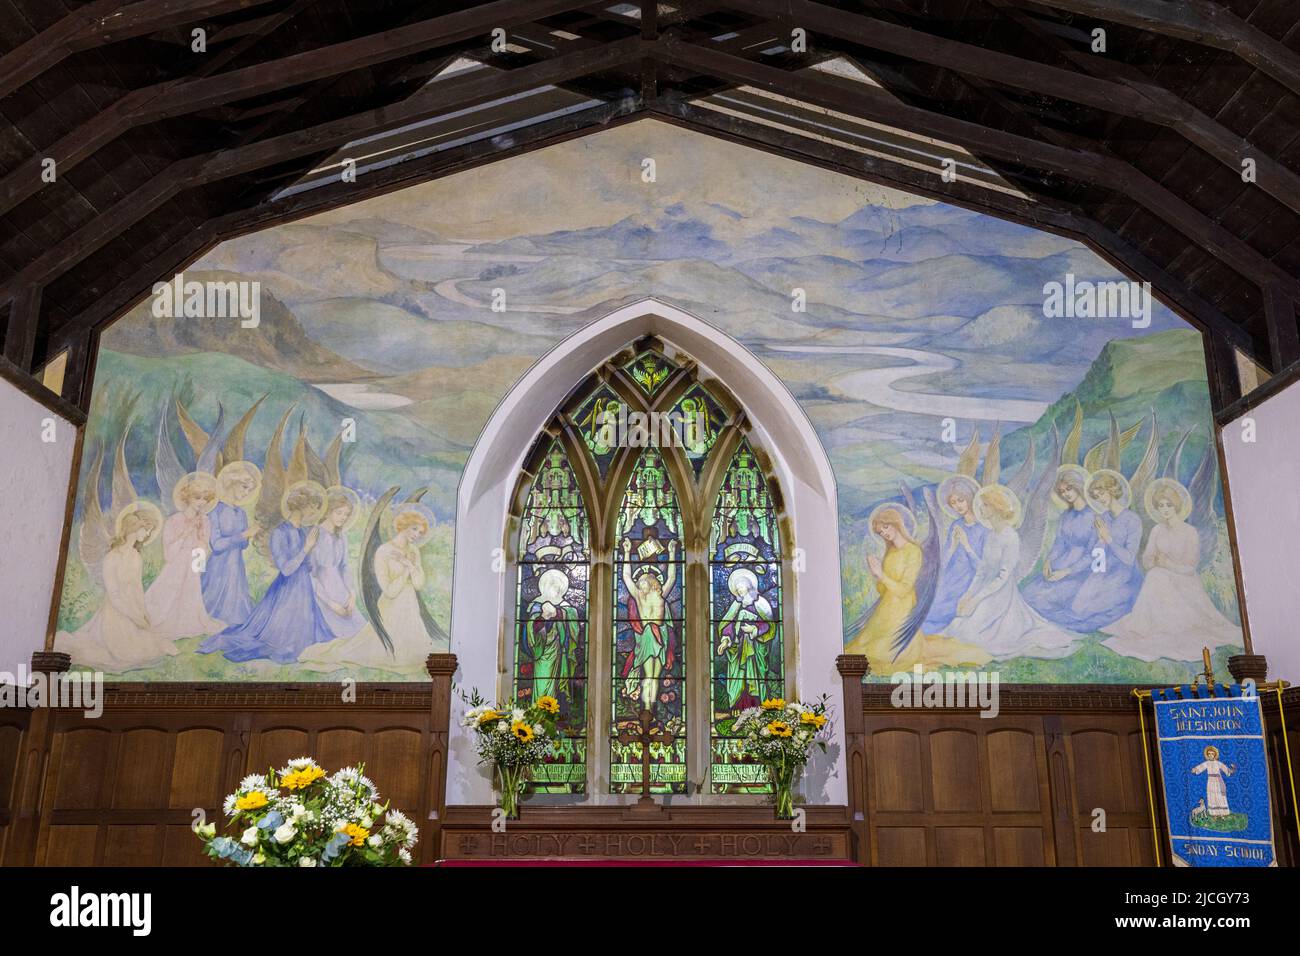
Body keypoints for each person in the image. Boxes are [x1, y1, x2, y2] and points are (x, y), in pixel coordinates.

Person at [1101, 478, 1240, 661]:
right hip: (1160, 577)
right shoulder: (1157, 530)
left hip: (1185, 583)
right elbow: (1147, 560)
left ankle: (1169, 626)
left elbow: (1190, 568)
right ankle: (1151, 625)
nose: (1165, 509)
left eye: (1168, 505)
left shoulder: (1190, 532)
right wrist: (1155, 562)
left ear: (1176, 506)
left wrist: (1167, 565)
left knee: (1157, 576)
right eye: (1160, 505)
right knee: (1155, 575)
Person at [199, 480, 334, 664]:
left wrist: (315, 554)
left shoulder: (304, 532)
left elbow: (308, 565)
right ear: (301, 505)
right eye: (313, 506)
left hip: (304, 590)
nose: (314, 512)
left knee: (315, 640)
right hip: (287, 593)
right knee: (281, 641)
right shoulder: (280, 533)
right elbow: (286, 569)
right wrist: (306, 548)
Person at [844, 506, 989, 672]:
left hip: (903, 609)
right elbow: (883, 590)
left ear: (896, 523)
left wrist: (882, 574)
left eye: (886, 527)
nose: (885, 534)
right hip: (886, 609)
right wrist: (876, 575)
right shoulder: (890, 553)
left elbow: (904, 589)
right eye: (881, 533)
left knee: (886, 655)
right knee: (861, 647)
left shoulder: (913, 552)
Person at [943, 486, 1080, 659]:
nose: (980, 508)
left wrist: (977, 599)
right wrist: (968, 595)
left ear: (996, 507)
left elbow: (1003, 577)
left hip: (1002, 595)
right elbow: (982, 570)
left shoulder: (1011, 537)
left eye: (985, 505)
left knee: (974, 636)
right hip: (986, 589)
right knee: (957, 629)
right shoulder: (991, 535)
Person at [298, 506, 436, 675]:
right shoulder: (383, 551)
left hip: (410, 608)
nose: (416, 535)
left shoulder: (413, 551)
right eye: (414, 529)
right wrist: (407, 569)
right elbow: (389, 592)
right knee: (374, 653)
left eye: (420, 532)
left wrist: (411, 565)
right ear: (403, 525)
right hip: (391, 610)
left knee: (416, 655)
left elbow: (419, 583)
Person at [59, 503, 180, 672]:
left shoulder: (136, 556)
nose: (147, 535)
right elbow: (114, 594)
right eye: (146, 529)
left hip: (132, 606)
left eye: (150, 531)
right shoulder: (112, 558)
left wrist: (142, 612)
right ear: (134, 528)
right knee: (125, 652)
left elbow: (137, 588)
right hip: (115, 611)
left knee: (149, 643)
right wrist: (132, 615)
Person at [145, 472, 223, 640]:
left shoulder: (206, 520)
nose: (201, 503)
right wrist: (187, 531)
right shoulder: (174, 520)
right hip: (177, 564)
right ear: (188, 498)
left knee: (191, 593)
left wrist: (200, 540)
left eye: (205, 499)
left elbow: (204, 547)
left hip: (192, 564)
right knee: (169, 592)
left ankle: (188, 623)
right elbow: (169, 552)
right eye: (197, 498)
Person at [1067, 470, 1143, 631]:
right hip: (1103, 568)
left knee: (1097, 607)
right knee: (1078, 608)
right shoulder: (1103, 518)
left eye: (1102, 493)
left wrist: (1108, 539)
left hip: (1123, 572)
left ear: (1112, 490)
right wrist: (1100, 545)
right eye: (1096, 496)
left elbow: (1129, 558)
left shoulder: (1132, 519)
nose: (1100, 499)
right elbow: (1096, 554)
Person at [1022, 466, 1098, 628]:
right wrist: (1049, 560)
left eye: (1069, 488)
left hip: (1082, 571)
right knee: (1028, 594)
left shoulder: (1094, 515)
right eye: (1062, 491)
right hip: (1061, 563)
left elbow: (1094, 553)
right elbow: (1059, 542)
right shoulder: (1066, 515)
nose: (1066, 494)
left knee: (1045, 600)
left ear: (1078, 486)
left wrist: (1067, 571)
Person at [922, 475, 987, 632]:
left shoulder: (984, 528)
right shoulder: (956, 524)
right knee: (929, 605)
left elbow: (983, 566)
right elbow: (945, 558)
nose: (957, 506)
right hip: (951, 576)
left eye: (960, 500)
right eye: (953, 503)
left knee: (941, 610)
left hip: (970, 579)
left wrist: (965, 544)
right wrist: (953, 545)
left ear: (970, 498)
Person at [201, 461, 261, 626]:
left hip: (236, 564)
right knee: (214, 604)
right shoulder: (215, 511)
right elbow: (217, 545)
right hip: (218, 566)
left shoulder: (240, 513)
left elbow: (243, 546)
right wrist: (244, 534)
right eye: (243, 487)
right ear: (231, 484)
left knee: (238, 607)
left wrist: (250, 536)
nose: (246, 493)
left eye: (249, 490)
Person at [715, 567, 776, 711]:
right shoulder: (736, 605)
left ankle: (758, 708)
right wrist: (725, 641)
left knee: (754, 677)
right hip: (739, 649)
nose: (739, 590)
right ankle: (738, 707)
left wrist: (754, 630)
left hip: (755, 649)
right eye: (737, 589)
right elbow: (728, 624)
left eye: (741, 587)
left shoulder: (760, 602)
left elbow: (769, 624)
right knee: (739, 677)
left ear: (748, 586)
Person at [310, 488, 364, 639]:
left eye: (346, 514)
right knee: (340, 637)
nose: (343, 517)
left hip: (341, 590)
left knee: (360, 634)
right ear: (328, 512)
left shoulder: (341, 536)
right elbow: (310, 574)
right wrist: (330, 603)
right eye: (339, 512)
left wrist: (352, 595)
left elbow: (344, 567)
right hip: (322, 594)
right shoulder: (315, 534)